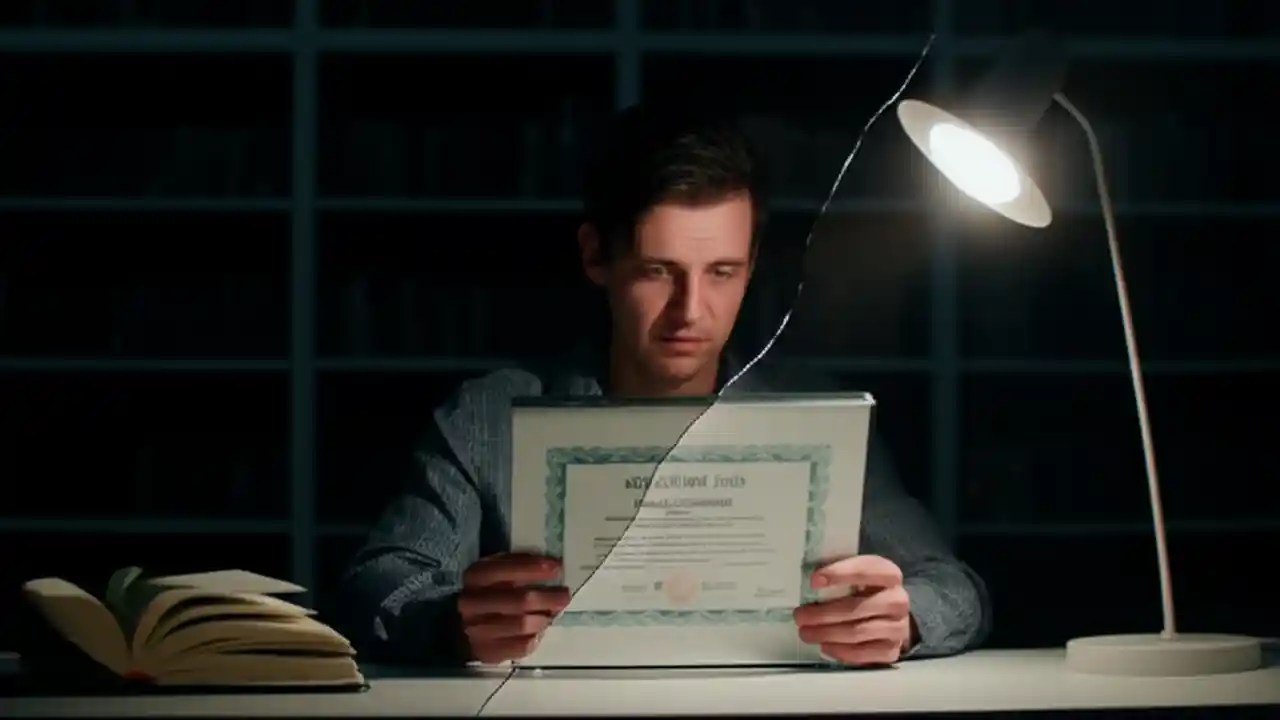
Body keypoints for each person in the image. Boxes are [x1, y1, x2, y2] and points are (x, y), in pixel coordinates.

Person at [333, 103, 992, 667]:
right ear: (597, 256)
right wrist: (454, 622)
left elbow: (956, 590)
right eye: (658, 270)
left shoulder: (813, 417)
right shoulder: (488, 416)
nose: (691, 310)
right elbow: (375, 585)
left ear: (754, 265)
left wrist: (899, 623)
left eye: (722, 272)